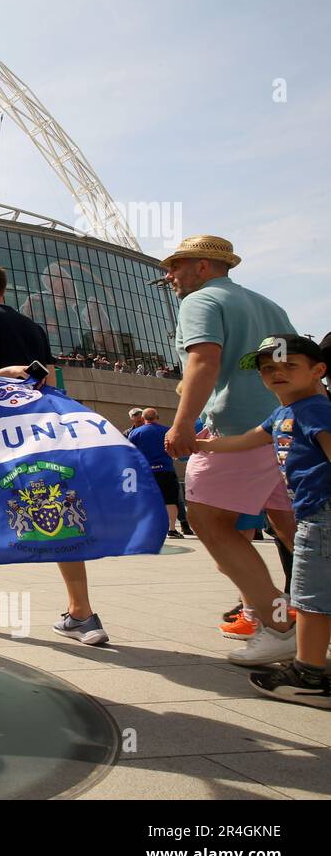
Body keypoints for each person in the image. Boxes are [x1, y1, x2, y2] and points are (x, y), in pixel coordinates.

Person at [0, 264, 108, 643]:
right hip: (35, 429)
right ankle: (82, 613)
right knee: (54, 510)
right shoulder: (33, 328)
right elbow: (48, 380)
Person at [161, 237, 299, 667]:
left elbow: (204, 361)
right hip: (289, 425)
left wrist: (183, 423)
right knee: (298, 532)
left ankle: (278, 627)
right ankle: (302, 621)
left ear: (203, 267)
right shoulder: (271, 306)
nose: (170, 276)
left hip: (239, 429)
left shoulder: (200, 302)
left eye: (176, 267)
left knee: (208, 520)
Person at [197, 334, 330, 707]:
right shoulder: (284, 413)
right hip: (314, 513)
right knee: (314, 593)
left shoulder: (315, 409)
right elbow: (248, 440)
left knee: (310, 599)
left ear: (318, 370)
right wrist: (201, 445)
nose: (277, 373)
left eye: (289, 365)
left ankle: (310, 675)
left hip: (323, 513)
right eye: (268, 368)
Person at [127, 408, 183, 540]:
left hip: (145, 472)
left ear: (144, 418)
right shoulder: (168, 431)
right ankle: (172, 529)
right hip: (166, 470)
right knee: (170, 500)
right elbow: (175, 449)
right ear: (157, 417)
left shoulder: (135, 433)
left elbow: (130, 453)